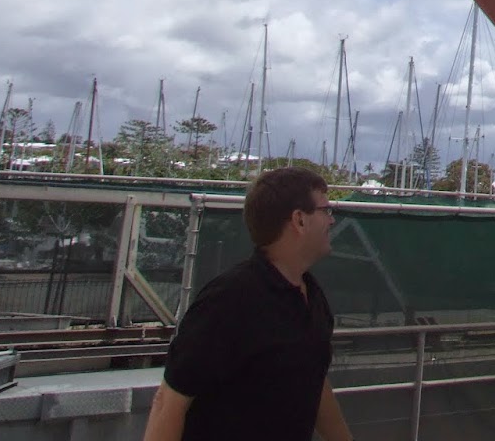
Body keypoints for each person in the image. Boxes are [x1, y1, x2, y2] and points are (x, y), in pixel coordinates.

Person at [142, 166, 352, 441]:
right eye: (326, 210)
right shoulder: (230, 299)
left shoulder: (312, 296)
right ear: (299, 220)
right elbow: (168, 401)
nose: (332, 220)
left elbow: (313, 383)